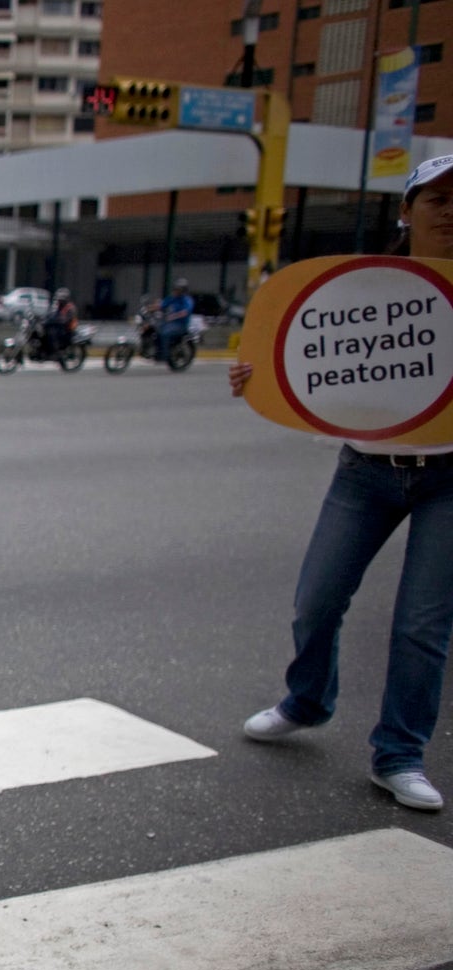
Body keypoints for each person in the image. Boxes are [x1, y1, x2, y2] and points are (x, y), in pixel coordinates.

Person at [230, 154, 453, 813]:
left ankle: (399, 755)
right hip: (366, 471)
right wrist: (255, 377)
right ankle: (306, 700)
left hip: (449, 478)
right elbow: (307, 357)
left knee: (422, 625)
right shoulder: (360, 288)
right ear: (407, 211)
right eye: (436, 199)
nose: (450, 210)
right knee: (316, 602)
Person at [156, 278, 192, 366]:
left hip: (181, 325)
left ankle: (164, 355)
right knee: (155, 329)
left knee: (165, 333)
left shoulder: (187, 300)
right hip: (169, 323)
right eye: (175, 288)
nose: (176, 291)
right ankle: (155, 350)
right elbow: (161, 305)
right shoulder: (172, 298)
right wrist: (148, 309)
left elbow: (185, 312)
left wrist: (173, 316)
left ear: (183, 290)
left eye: (178, 289)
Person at [44, 287, 77, 360]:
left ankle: (56, 352)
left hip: (67, 329)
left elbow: (68, 319)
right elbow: (50, 314)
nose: (59, 301)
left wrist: (58, 320)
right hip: (58, 326)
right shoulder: (56, 306)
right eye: (59, 299)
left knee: (52, 333)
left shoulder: (70, 307)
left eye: (61, 299)